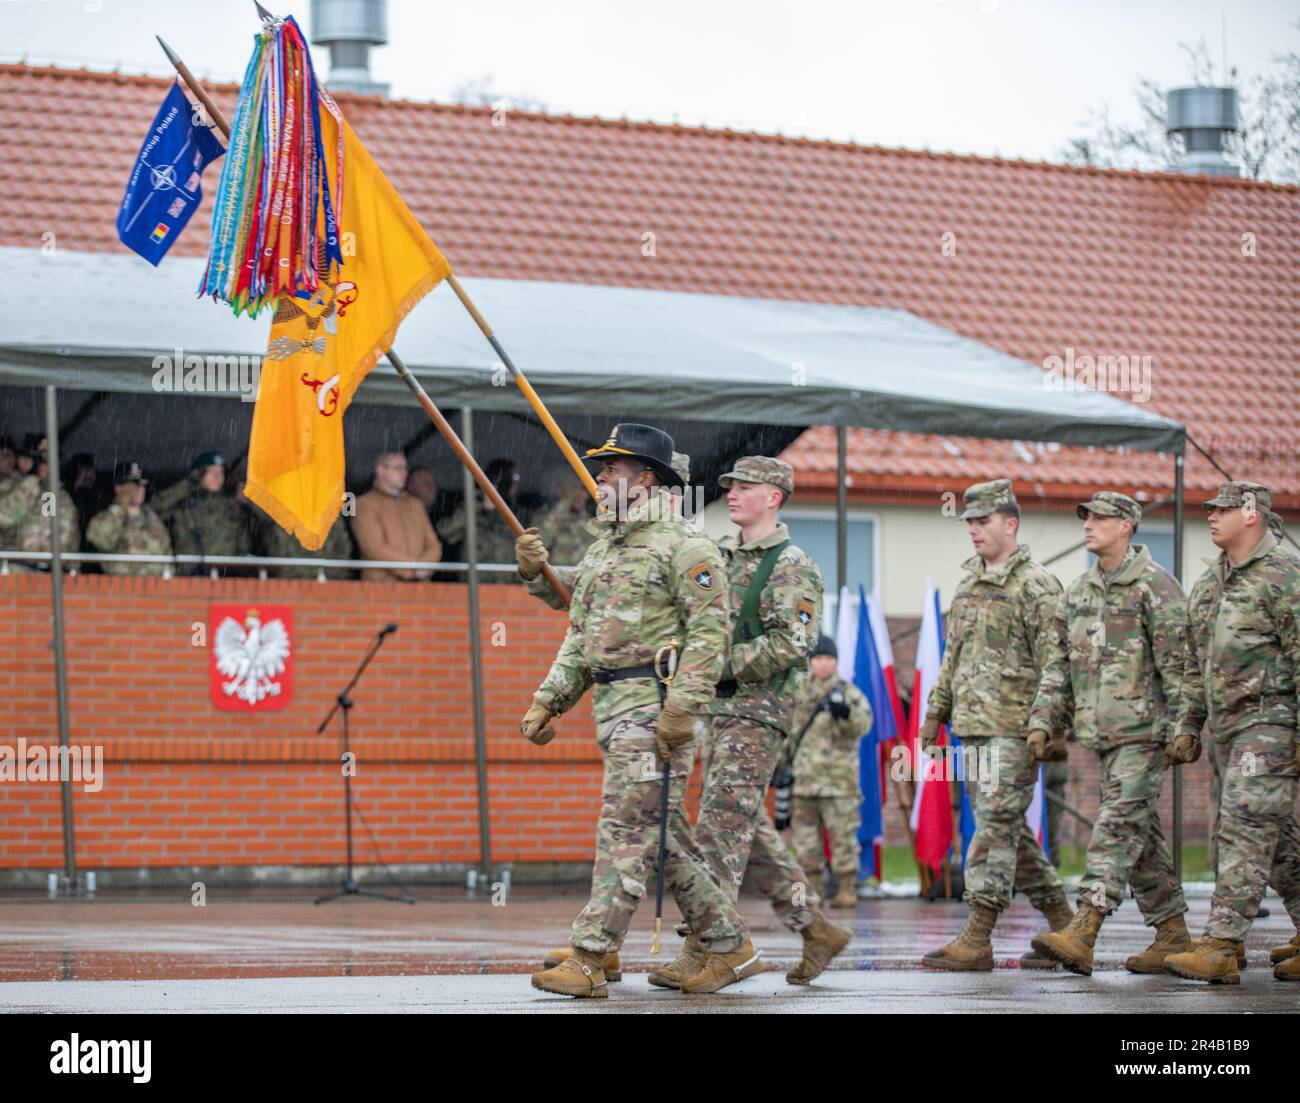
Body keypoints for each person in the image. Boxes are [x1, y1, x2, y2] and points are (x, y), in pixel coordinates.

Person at [523, 423, 761, 998]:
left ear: (646, 478)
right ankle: (730, 945)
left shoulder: (688, 545)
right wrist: (549, 697)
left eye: (612, 468)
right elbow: (583, 635)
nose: (600, 477)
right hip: (613, 708)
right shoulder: (605, 547)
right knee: (665, 840)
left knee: (626, 828)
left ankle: (591, 954)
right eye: (601, 468)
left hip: (654, 712)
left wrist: (683, 708)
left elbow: (711, 635)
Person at [653, 455, 849, 989]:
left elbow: (794, 642)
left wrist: (721, 662)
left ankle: (711, 948)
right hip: (718, 709)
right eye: (730, 486)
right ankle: (814, 928)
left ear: (774, 496)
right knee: (746, 827)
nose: (732, 494)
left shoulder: (792, 564)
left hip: (758, 712)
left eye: (745, 486)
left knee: (719, 830)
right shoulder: (718, 554)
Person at [1026, 492, 1191, 975]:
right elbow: (1057, 666)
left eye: (1100, 518)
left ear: (1127, 526)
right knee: (1139, 840)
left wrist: (1185, 725)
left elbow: (1180, 667)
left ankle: (1085, 925)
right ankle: (1173, 931)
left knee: (1116, 828)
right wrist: (1043, 720)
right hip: (1101, 737)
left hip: (1145, 734)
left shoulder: (1156, 587)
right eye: (1086, 517)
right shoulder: (1076, 592)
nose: (1089, 524)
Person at [919, 478, 1073, 971]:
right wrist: (934, 715)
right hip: (972, 728)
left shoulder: (1037, 586)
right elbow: (951, 659)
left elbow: (1057, 663)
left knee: (993, 827)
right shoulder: (967, 584)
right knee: (1009, 830)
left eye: (983, 521)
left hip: (1016, 730)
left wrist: (1046, 724)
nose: (974, 531)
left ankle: (978, 935)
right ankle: (1066, 927)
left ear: (1011, 523)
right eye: (969, 522)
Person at [1161, 482, 1300, 984]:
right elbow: (1194, 665)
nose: (1211, 517)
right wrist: (1187, 725)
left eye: (1222, 510)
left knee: (1242, 827)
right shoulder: (1209, 583)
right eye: (1209, 510)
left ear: (1252, 515)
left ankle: (1220, 944)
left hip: (1272, 725)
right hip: (1228, 730)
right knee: (1278, 842)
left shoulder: (1284, 577)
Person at [787, 633, 873, 909]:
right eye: (818, 659)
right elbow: (787, 729)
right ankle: (810, 893)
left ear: (836, 661)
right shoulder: (798, 691)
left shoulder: (848, 693)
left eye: (829, 659)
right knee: (805, 843)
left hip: (839, 782)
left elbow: (864, 725)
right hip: (804, 781)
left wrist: (846, 714)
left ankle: (846, 888)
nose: (823, 664)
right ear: (811, 662)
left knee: (843, 839)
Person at [152, 451, 251, 574]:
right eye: (211, 472)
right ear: (197, 474)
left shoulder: (231, 506)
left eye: (220, 472)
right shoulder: (182, 504)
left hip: (225, 579)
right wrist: (189, 484)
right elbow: (154, 508)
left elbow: (243, 546)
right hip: (188, 577)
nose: (217, 477)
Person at [351, 451, 442, 582]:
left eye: (405, 468)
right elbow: (373, 548)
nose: (404, 473)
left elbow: (434, 545)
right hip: (381, 588)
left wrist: (424, 567)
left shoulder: (415, 504)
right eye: (398, 468)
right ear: (380, 471)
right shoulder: (364, 504)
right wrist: (414, 568)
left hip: (420, 589)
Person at [0, 436, 79, 569]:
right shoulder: (10, 488)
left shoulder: (57, 495)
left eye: (48, 463)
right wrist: (30, 483)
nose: (45, 468)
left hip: (53, 574)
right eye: (39, 463)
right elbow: (3, 517)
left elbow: (67, 535)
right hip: (15, 572)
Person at [436, 457, 525, 572]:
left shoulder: (517, 513)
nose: (515, 484)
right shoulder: (471, 507)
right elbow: (445, 532)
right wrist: (475, 507)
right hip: (476, 579)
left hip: (506, 581)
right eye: (512, 479)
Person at [85, 461, 172, 576]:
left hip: (154, 588)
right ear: (118, 488)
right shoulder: (107, 518)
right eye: (133, 485)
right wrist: (120, 507)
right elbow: (102, 541)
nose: (139, 489)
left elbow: (166, 552)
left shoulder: (151, 517)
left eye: (142, 485)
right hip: (121, 588)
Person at [253, 505, 355, 579]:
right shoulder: (277, 514)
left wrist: (333, 576)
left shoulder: (332, 518)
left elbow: (344, 553)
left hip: (328, 586)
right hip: (287, 585)